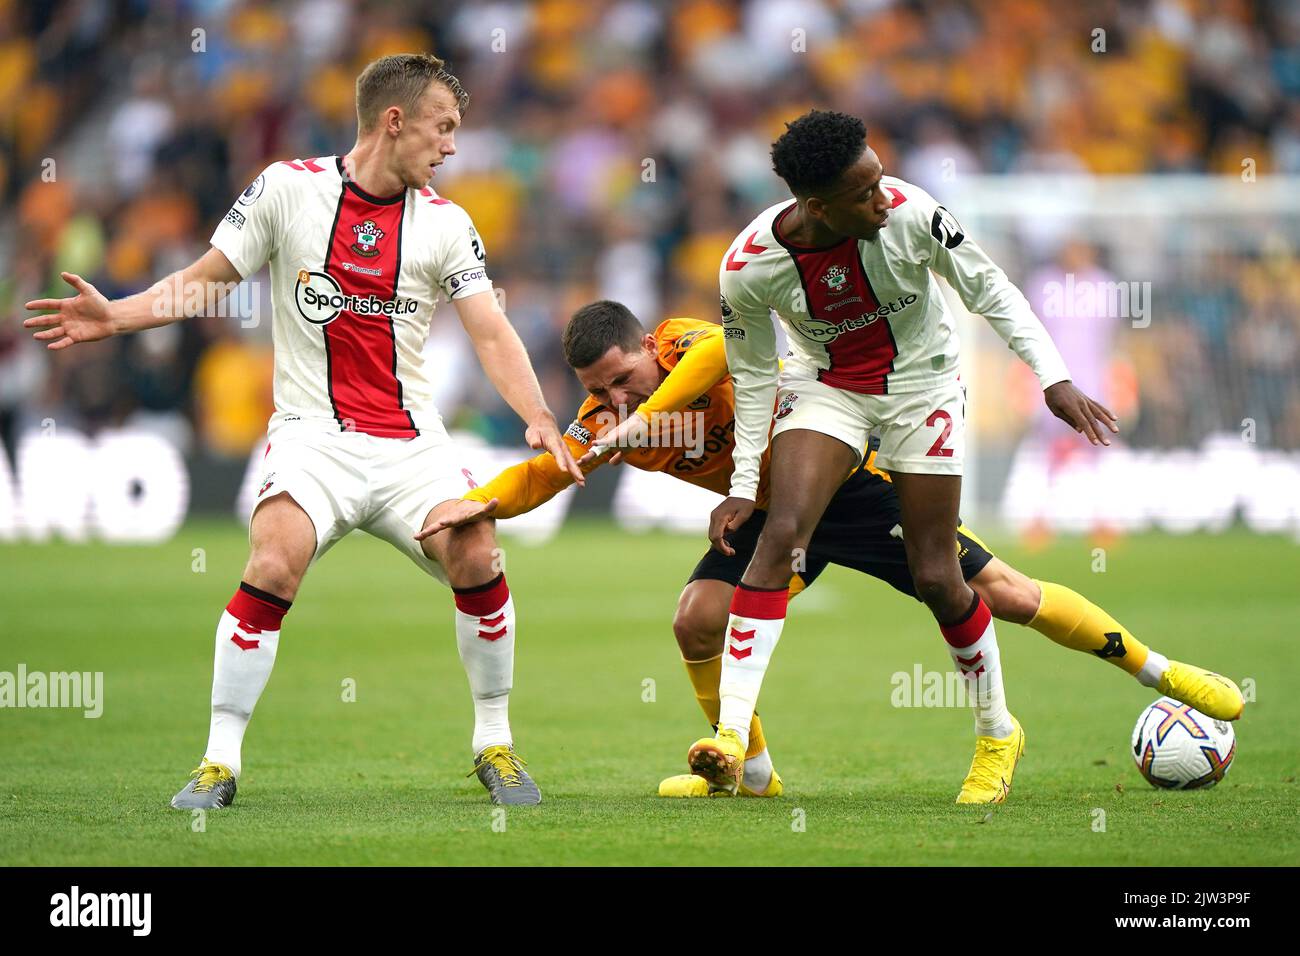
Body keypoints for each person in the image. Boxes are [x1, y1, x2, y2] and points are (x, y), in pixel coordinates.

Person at [24, 53, 583, 809]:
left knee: (478, 553)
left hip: (413, 447)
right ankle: (219, 762)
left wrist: (539, 414)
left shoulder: (448, 223)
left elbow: (490, 331)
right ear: (395, 121)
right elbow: (209, 279)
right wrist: (118, 314)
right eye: (443, 128)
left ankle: (495, 744)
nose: (452, 147)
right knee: (274, 560)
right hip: (312, 436)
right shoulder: (289, 190)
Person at [418, 301, 1245, 802]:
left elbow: (718, 354)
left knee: (1008, 595)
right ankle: (750, 778)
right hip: (768, 514)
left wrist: (645, 413)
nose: (616, 397)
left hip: (849, 482)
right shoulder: (607, 425)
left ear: (645, 346)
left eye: (622, 377)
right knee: (695, 621)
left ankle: (1160, 672)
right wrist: (483, 500)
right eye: (600, 390)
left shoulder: (683, 344)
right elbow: (544, 473)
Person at [692, 109, 1243, 797]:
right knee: (780, 534)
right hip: (826, 385)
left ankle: (995, 734)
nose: (882, 196)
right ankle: (731, 736)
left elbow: (991, 290)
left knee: (937, 574)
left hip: (924, 386)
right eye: (863, 193)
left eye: (880, 178)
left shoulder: (911, 213)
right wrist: (745, 482)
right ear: (815, 206)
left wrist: (1054, 377)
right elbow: (749, 376)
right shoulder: (749, 267)